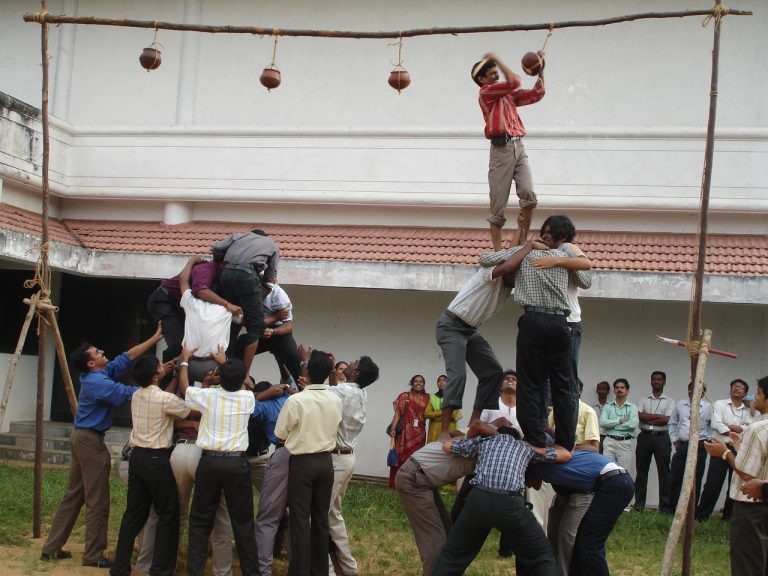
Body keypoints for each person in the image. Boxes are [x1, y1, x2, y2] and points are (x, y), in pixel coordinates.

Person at [40, 326, 163, 568]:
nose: (102, 352)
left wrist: (155, 337)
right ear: (91, 363)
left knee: (73, 496)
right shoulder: (99, 382)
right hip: (90, 442)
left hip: (81, 438)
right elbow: (127, 393)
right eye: (97, 352)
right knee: (97, 501)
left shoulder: (99, 373)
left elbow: (126, 358)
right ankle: (94, 555)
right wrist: (154, 382)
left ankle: (51, 548)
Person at [480, 231, 592, 449]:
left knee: (531, 382)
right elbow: (586, 279)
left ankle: (535, 437)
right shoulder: (564, 258)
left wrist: (527, 248)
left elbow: (485, 259)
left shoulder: (526, 252)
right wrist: (564, 261)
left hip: (534, 319)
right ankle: (565, 442)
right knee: (562, 385)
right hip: (561, 322)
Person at [432, 420, 570, 575]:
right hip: (510, 504)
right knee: (541, 557)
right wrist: (540, 445)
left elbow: (447, 446)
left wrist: (468, 438)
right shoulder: (524, 447)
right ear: (517, 438)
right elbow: (565, 455)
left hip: (478, 499)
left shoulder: (484, 442)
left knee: (453, 556)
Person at [177, 351, 259, 576]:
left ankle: (195, 572)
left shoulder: (209, 395)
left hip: (210, 462)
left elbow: (184, 388)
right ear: (242, 379)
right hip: (236, 464)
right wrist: (226, 362)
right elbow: (248, 383)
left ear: (219, 378)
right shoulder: (248, 398)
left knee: (200, 522)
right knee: (243, 524)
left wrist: (185, 360)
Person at [434, 246, 527, 441]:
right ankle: (444, 430)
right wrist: (530, 246)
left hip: (471, 331)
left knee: (493, 371)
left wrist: (522, 233)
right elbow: (508, 263)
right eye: (514, 275)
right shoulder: (489, 274)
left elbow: (513, 251)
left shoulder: (506, 290)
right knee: (458, 375)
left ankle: (473, 422)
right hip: (451, 326)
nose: (516, 280)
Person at [110, 355, 190, 576]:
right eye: (159, 367)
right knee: (168, 514)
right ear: (155, 376)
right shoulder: (165, 399)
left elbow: (162, 396)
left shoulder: (137, 395)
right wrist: (183, 374)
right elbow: (186, 409)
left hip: (137, 458)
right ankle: (161, 569)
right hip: (157, 460)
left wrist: (167, 375)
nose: (163, 367)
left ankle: (120, 567)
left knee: (133, 514)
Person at [274, 349, 342, 576]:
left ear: (307, 372)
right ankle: (320, 571)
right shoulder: (335, 399)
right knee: (321, 519)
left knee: (300, 520)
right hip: (326, 463)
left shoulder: (296, 400)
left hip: (302, 463)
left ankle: (300, 572)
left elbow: (280, 434)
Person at [471, 51, 545, 251]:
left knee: (528, 195)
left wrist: (540, 69)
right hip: (500, 150)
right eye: (493, 72)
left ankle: (521, 241)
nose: (497, 74)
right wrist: (497, 59)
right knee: (498, 204)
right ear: (482, 79)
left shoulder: (507, 95)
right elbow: (514, 82)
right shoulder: (486, 92)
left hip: (518, 146)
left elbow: (536, 94)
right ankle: (497, 251)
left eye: (497, 71)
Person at [528, 449, 635, 576]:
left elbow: (536, 484)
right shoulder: (552, 456)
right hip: (616, 480)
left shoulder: (540, 467)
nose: (527, 486)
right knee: (582, 542)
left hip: (614, 483)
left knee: (590, 544)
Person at [704, 375, 768, 575]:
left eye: (758, 393)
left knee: (748, 561)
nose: (755, 398)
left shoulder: (757, 428)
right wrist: (740, 446)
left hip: (752, 505)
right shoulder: (756, 426)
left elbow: (747, 473)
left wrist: (725, 453)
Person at [327, 356, 380, 576]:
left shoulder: (343, 391)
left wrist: (305, 364)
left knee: (317, 515)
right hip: (346, 457)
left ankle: (328, 571)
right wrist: (333, 372)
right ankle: (349, 568)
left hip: (336, 460)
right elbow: (335, 392)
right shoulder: (359, 391)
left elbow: (317, 394)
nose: (349, 363)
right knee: (333, 515)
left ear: (356, 373)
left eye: (354, 363)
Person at [395, 438, 475, 576]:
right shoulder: (477, 443)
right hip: (414, 477)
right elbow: (450, 441)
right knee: (435, 539)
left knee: (448, 531)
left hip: (424, 478)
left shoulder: (477, 440)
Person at [146, 256, 239, 365]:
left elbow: (186, 283)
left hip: (181, 304)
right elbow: (200, 290)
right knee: (178, 344)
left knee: (185, 343)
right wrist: (191, 261)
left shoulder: (217, 287)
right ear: (223, 263)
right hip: (165, 300)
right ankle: (166, 372)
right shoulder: (206, 270)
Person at [537, 216, 592, 398]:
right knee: (546, 375)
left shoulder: (566, 248)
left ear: (561, 234)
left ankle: (570, 415)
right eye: (543, 232)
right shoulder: (547, 251)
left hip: (569, 322)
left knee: (567, 378)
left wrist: (556, 261)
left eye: (549, 232)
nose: (545, 236)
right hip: (551, 321)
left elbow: (586, 264)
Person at [212, 228, 280, 372]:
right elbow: (270, 278)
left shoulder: (238, 236)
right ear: (265, 236)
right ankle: (244, 374)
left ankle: (225, 364)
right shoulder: (271, 244)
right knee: (256, 327)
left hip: (226, 275)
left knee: (233, 320)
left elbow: (217, 248)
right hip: (247, 276)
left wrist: (220, 261)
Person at [697, 378, 753, 521]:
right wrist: (735, 430)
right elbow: (716, 424)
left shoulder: (748, 409)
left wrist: (731, 426)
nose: (736, 389)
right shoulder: (719, 404)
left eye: (740, 387)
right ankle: (701, 516)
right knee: (713, 483)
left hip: (739, 449)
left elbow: (750, 428)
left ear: (745, 393)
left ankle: (728, 517)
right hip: (720, 447)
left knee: (734, 483)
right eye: (734, 386)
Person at [234, 282, 302, 383]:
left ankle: (302, 387)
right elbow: (244, 321)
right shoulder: (247, 294)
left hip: (278, 332)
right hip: (257, 331)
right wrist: (275, 317)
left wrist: (272, 331)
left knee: (292, 355)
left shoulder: (279, 295)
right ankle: (238, 381)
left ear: (267, 289)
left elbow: (289, 326)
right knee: (239, 345)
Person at [634, 370, 675, 513]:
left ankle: (664, 507)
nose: (656, 381)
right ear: (651, 381)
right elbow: (639, 416)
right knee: (641, 471)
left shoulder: (670, 401)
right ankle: (639, 505)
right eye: (654, 379)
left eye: (659, 379)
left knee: (664, 473)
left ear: (664, 382)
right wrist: (658, 417)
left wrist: (647, 417)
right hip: (644, 437)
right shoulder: (642, 400)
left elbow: (667, 419)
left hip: (662, 438)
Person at [668, 382, 712, 511]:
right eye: (690, 389)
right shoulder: (680, 404)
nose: (693, 392)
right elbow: (672, 423)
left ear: (703, 392)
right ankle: (673, 509)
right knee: (676, 477)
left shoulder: (708, 407)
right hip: (683, 446)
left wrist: (707, 440)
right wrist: (674, 438)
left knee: (695, 479)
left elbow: (712, 426)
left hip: (700, 447)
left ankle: (691, 510)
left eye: (697, 389)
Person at [388, 375, 430, 487]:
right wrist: (393, 428)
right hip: (403, 433)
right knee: (400, 456)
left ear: (424, 384)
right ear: (412, 383)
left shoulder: (428, 398)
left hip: (420, 434)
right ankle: (395, 483)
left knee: (416, 458)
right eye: (416, 381)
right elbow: (398, 413)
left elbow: (431, 412)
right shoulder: (404, 396)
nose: (418, 383)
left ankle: (411, 484)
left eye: (421, 381)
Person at [599, 379, 638, 476]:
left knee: (624, 473)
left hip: (624, 443)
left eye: (622, 387)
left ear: (627, 391)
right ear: (614, 390)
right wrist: (619, 421)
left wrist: (612, 426)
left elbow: (633, 424)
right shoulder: (608, 407)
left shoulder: (632, 408)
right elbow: (602, 423)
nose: (619, 389)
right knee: (607, 472)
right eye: (617, 388)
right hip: (609, 442)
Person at [550, 380, 600, 452]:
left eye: (574, 388)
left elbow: (595, 448)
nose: (569, 392)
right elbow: (546, 432)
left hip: (579, 454)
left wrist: (568, 447)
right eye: (566, 388)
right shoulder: (556, 409)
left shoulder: (588, 412)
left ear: (580, 391)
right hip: (558, 453)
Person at [425, 374, 461, 443]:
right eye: (439, 381)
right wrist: (443, 412)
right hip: (434, 430)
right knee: (433, 448)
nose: (441, 382)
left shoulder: (453, 397)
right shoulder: (432, 397)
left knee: (447, 447)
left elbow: (454, 415)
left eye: (444, 380)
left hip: (449, 430)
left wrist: (435, 417)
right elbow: (427, 414)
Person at [593, 381, 610, 451]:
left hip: (609, 438)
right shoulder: (592, 407)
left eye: (604, 389)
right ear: (596, 391)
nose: (601, 391)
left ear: (608, 391)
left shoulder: (612, 407)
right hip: (596, 438)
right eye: (599, 389)